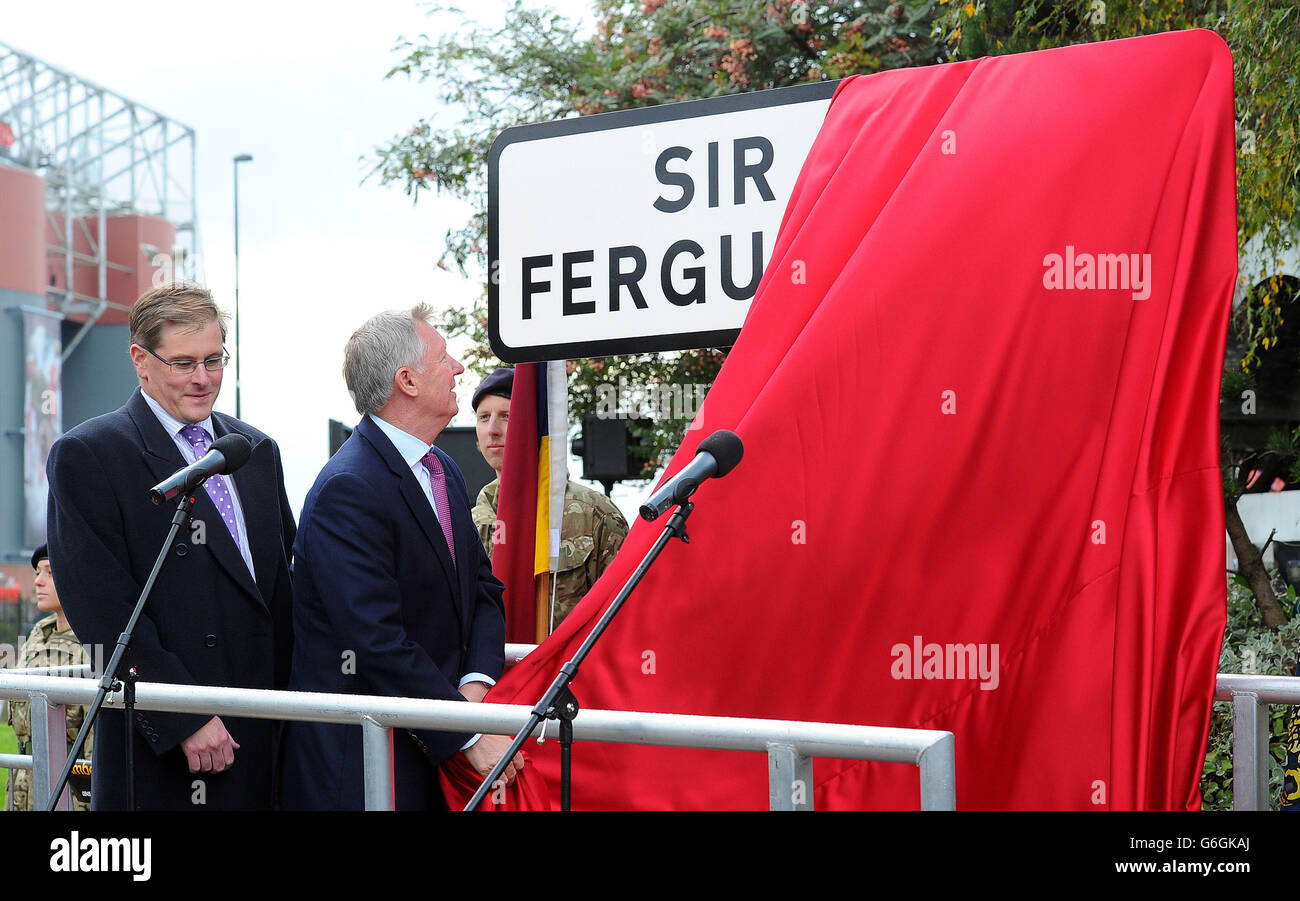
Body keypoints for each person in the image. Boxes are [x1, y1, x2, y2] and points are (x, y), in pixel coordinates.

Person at [45, 282, 296, 810]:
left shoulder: (254, 451)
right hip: (163, 750)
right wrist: (180, 714)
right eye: (183, 363)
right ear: (140, 359)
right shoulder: (90, 454)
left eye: (213, 360)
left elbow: (281, 595)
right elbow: (102, 609)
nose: (203, 379)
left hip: (261, 735)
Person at [279, 305, 523, 810]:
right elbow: (373, 641)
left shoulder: (443, 469)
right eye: (443, 357)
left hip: (433, 745)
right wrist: (469, 734)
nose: (458, 367)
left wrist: (474, 690)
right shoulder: (347, 488)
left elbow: (483, 590)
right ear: (407, 380)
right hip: (367, 768)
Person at [471, 367, 629, 632]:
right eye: (484, 417)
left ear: (533, 425)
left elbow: (625, 616)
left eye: (507, 416)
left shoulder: (594, 514)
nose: (492, 430)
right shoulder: (468, 522)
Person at [5, 545, 93, 811]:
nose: (37, 581)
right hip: (26, 779)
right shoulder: (38, 634)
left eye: (50, 573)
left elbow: (97, 730)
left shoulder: (93, 640)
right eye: (36, 573)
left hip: (71, 782)